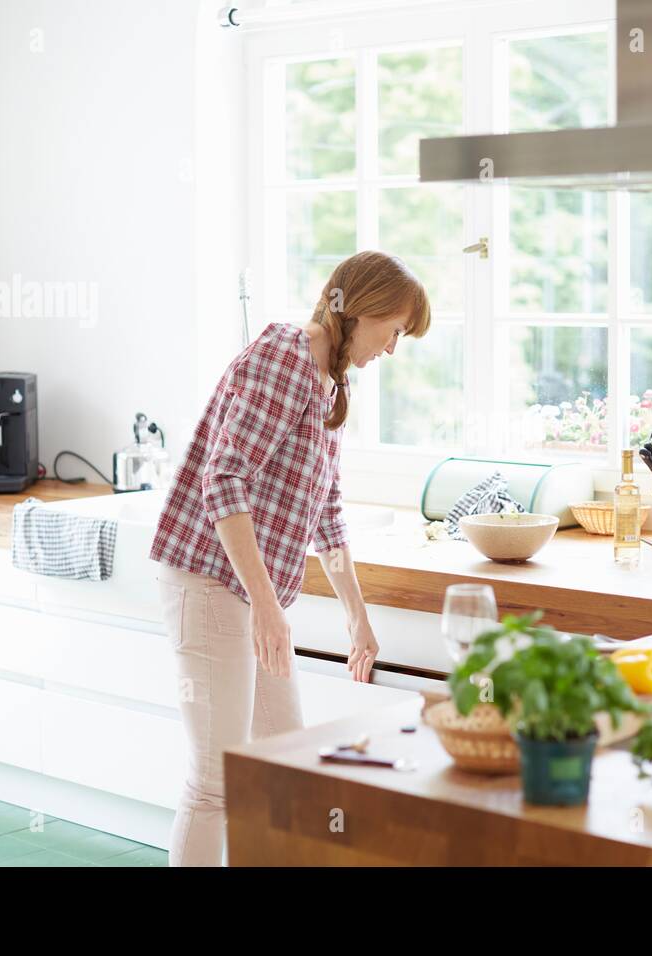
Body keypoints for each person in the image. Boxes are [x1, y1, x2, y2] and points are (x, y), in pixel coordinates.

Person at [149, 251, 431, 865]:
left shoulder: (329, 380)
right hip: (208, 579)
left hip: (248, 591)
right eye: (393, 331)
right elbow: (223, 479)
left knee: (283, 765)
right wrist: (268, 607)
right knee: (215, 781)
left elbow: (325, 509)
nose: (391, 348)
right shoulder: (286, 356)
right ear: (361, 309)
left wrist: (358, 617)